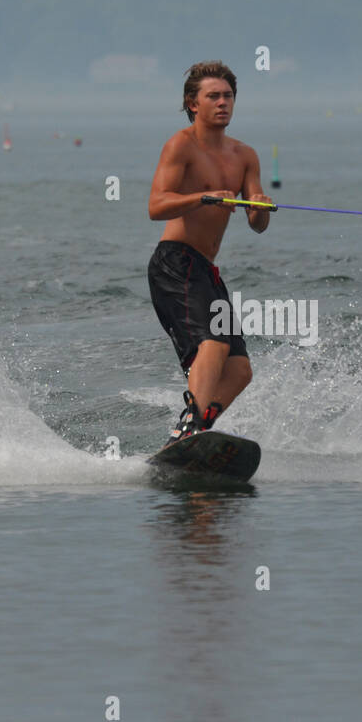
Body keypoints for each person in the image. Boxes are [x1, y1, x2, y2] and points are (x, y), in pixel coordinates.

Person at [147, 61, 273, 446]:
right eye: (212, 96)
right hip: (175, 262)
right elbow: (156, 206)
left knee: (239, 370)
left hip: (206, 270)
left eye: (228, 96)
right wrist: (200, 198)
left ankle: (195, 429)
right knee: (213, 344)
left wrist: (260, 206)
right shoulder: (181, 145)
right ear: (192, 103)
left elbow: (256, 223)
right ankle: (189, 428)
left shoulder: (245, 155)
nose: (222, 103)